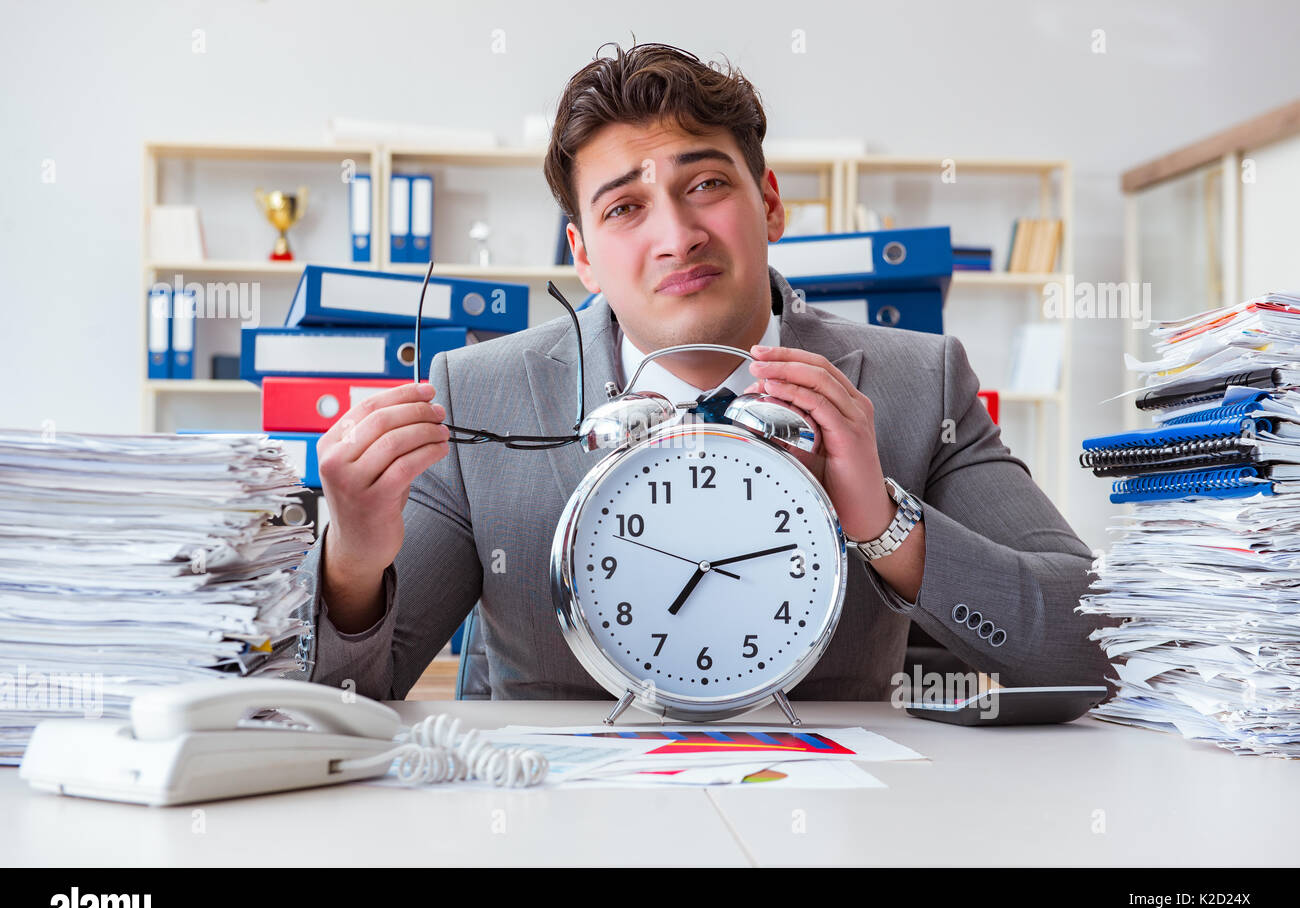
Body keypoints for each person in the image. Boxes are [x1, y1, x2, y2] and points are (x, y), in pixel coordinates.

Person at [292, 41, 1113, 702]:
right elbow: (345, 693)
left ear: (771, 204)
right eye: (624, 208)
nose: (677, 235)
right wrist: (355, 559)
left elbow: (1095, 643)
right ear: (582, 255)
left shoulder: (917, 381)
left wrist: (881, 523)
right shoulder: (479, 394)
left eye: (707, 184)